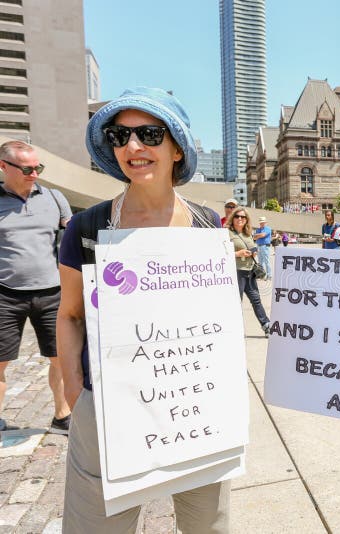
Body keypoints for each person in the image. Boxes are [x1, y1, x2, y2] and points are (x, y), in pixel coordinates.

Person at [57, 87, 230, 532]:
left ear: (177, 148)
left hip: (191, 402)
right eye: (119, 136)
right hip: (108, 408)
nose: (132, 146)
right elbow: (70, 314)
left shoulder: (208, 225)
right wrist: (77, 393)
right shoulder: (87, 226)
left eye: (149, 134)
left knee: (207, 525)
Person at [0, 141, 72, 434]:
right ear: (4, 167)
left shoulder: (54, 198)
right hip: (5, 294)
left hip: (52, 292)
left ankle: (62, 417)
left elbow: (73, 236)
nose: (34, 174)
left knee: (60, 358)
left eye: (37, 168)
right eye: (27, 169)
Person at [228, 207, 270, 336]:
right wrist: (237, 253)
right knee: (237, 302)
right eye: (237, 216)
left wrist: (253, 252)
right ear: (233, 218)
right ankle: (235, 329)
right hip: (237, 272)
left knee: (256, 300)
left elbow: (252, 247)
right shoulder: (227, 233)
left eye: (243, 217)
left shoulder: (248, 233)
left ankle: (267, 326)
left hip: (250, 271)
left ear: (246, 220)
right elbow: (221, 252)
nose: (240, 219)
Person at [253, 216, 272, 280]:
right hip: (259, 246)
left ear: (265, 222)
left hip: (265, 246)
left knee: (267, 261)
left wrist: (257, 235)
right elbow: (254, 237)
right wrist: (259, 235)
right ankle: (261, 275)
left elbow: (263, 235)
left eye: (263, 222)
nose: (262, 223)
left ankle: (269, 275)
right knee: (260, 262)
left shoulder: (268, 228)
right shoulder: (258, 229)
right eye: (261, 222)